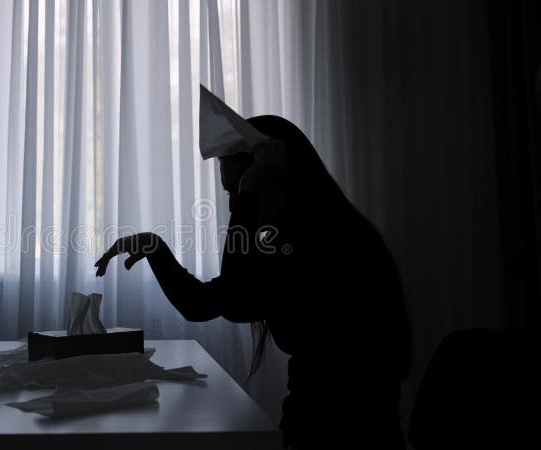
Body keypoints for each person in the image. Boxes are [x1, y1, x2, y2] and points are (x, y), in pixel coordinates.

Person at [94, 110, 412, 449]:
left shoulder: (325, 240)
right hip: (322, 422)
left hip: (345, 432)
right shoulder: (300, 236)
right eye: (232, 193)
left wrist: (248, 197)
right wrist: (155, 248)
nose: (235, 205)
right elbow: (207, 303)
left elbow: (230, 298)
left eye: (240, 190)